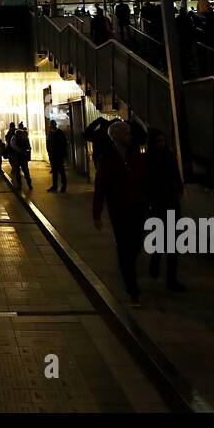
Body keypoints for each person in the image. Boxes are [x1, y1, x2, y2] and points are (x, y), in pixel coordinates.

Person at [86, 118, 145, 306]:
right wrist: (97, 213)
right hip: (119, 208)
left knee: (136, 243)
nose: (130, 136)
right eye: (126, 133)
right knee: (124, 246)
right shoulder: (108, 157)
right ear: (118, 136)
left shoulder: (135, 154)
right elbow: (100, 187)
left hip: (137, 206)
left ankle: (129, 270)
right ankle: (132, 287)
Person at [140, 129, 185, 291]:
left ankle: (171, 278)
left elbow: (176, 175)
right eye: (158, 141)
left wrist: (179, 189)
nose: (161, 144)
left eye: (162, 141)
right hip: (157, 203)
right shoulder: (148, 159)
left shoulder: (168, 156)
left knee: (172, 241)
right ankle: (157, 261)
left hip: (170, 201)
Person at [45, 120, 69, 192]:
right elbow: (48, 144)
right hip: (53, 155)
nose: (51, 126)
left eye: (52, 125)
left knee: (61, 171)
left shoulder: (60, 133)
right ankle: (55, 186)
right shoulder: (50, 133)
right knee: (55, 172)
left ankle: (63, 186)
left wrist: (63, 154)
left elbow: (64, 144)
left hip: (59, 155)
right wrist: (49, 152)